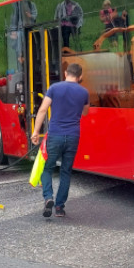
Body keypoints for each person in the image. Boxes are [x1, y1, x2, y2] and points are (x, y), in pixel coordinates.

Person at [31, 62, 89, 218]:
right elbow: (85, 112)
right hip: (73, 136)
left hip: (55, 135)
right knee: (66, 171)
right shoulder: (84, 92)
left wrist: (36, 132)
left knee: (47, 168)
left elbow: (42, 110)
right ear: (80, 76)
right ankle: (59, 207)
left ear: (65, 73)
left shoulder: (54, 88)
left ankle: (48, 197)